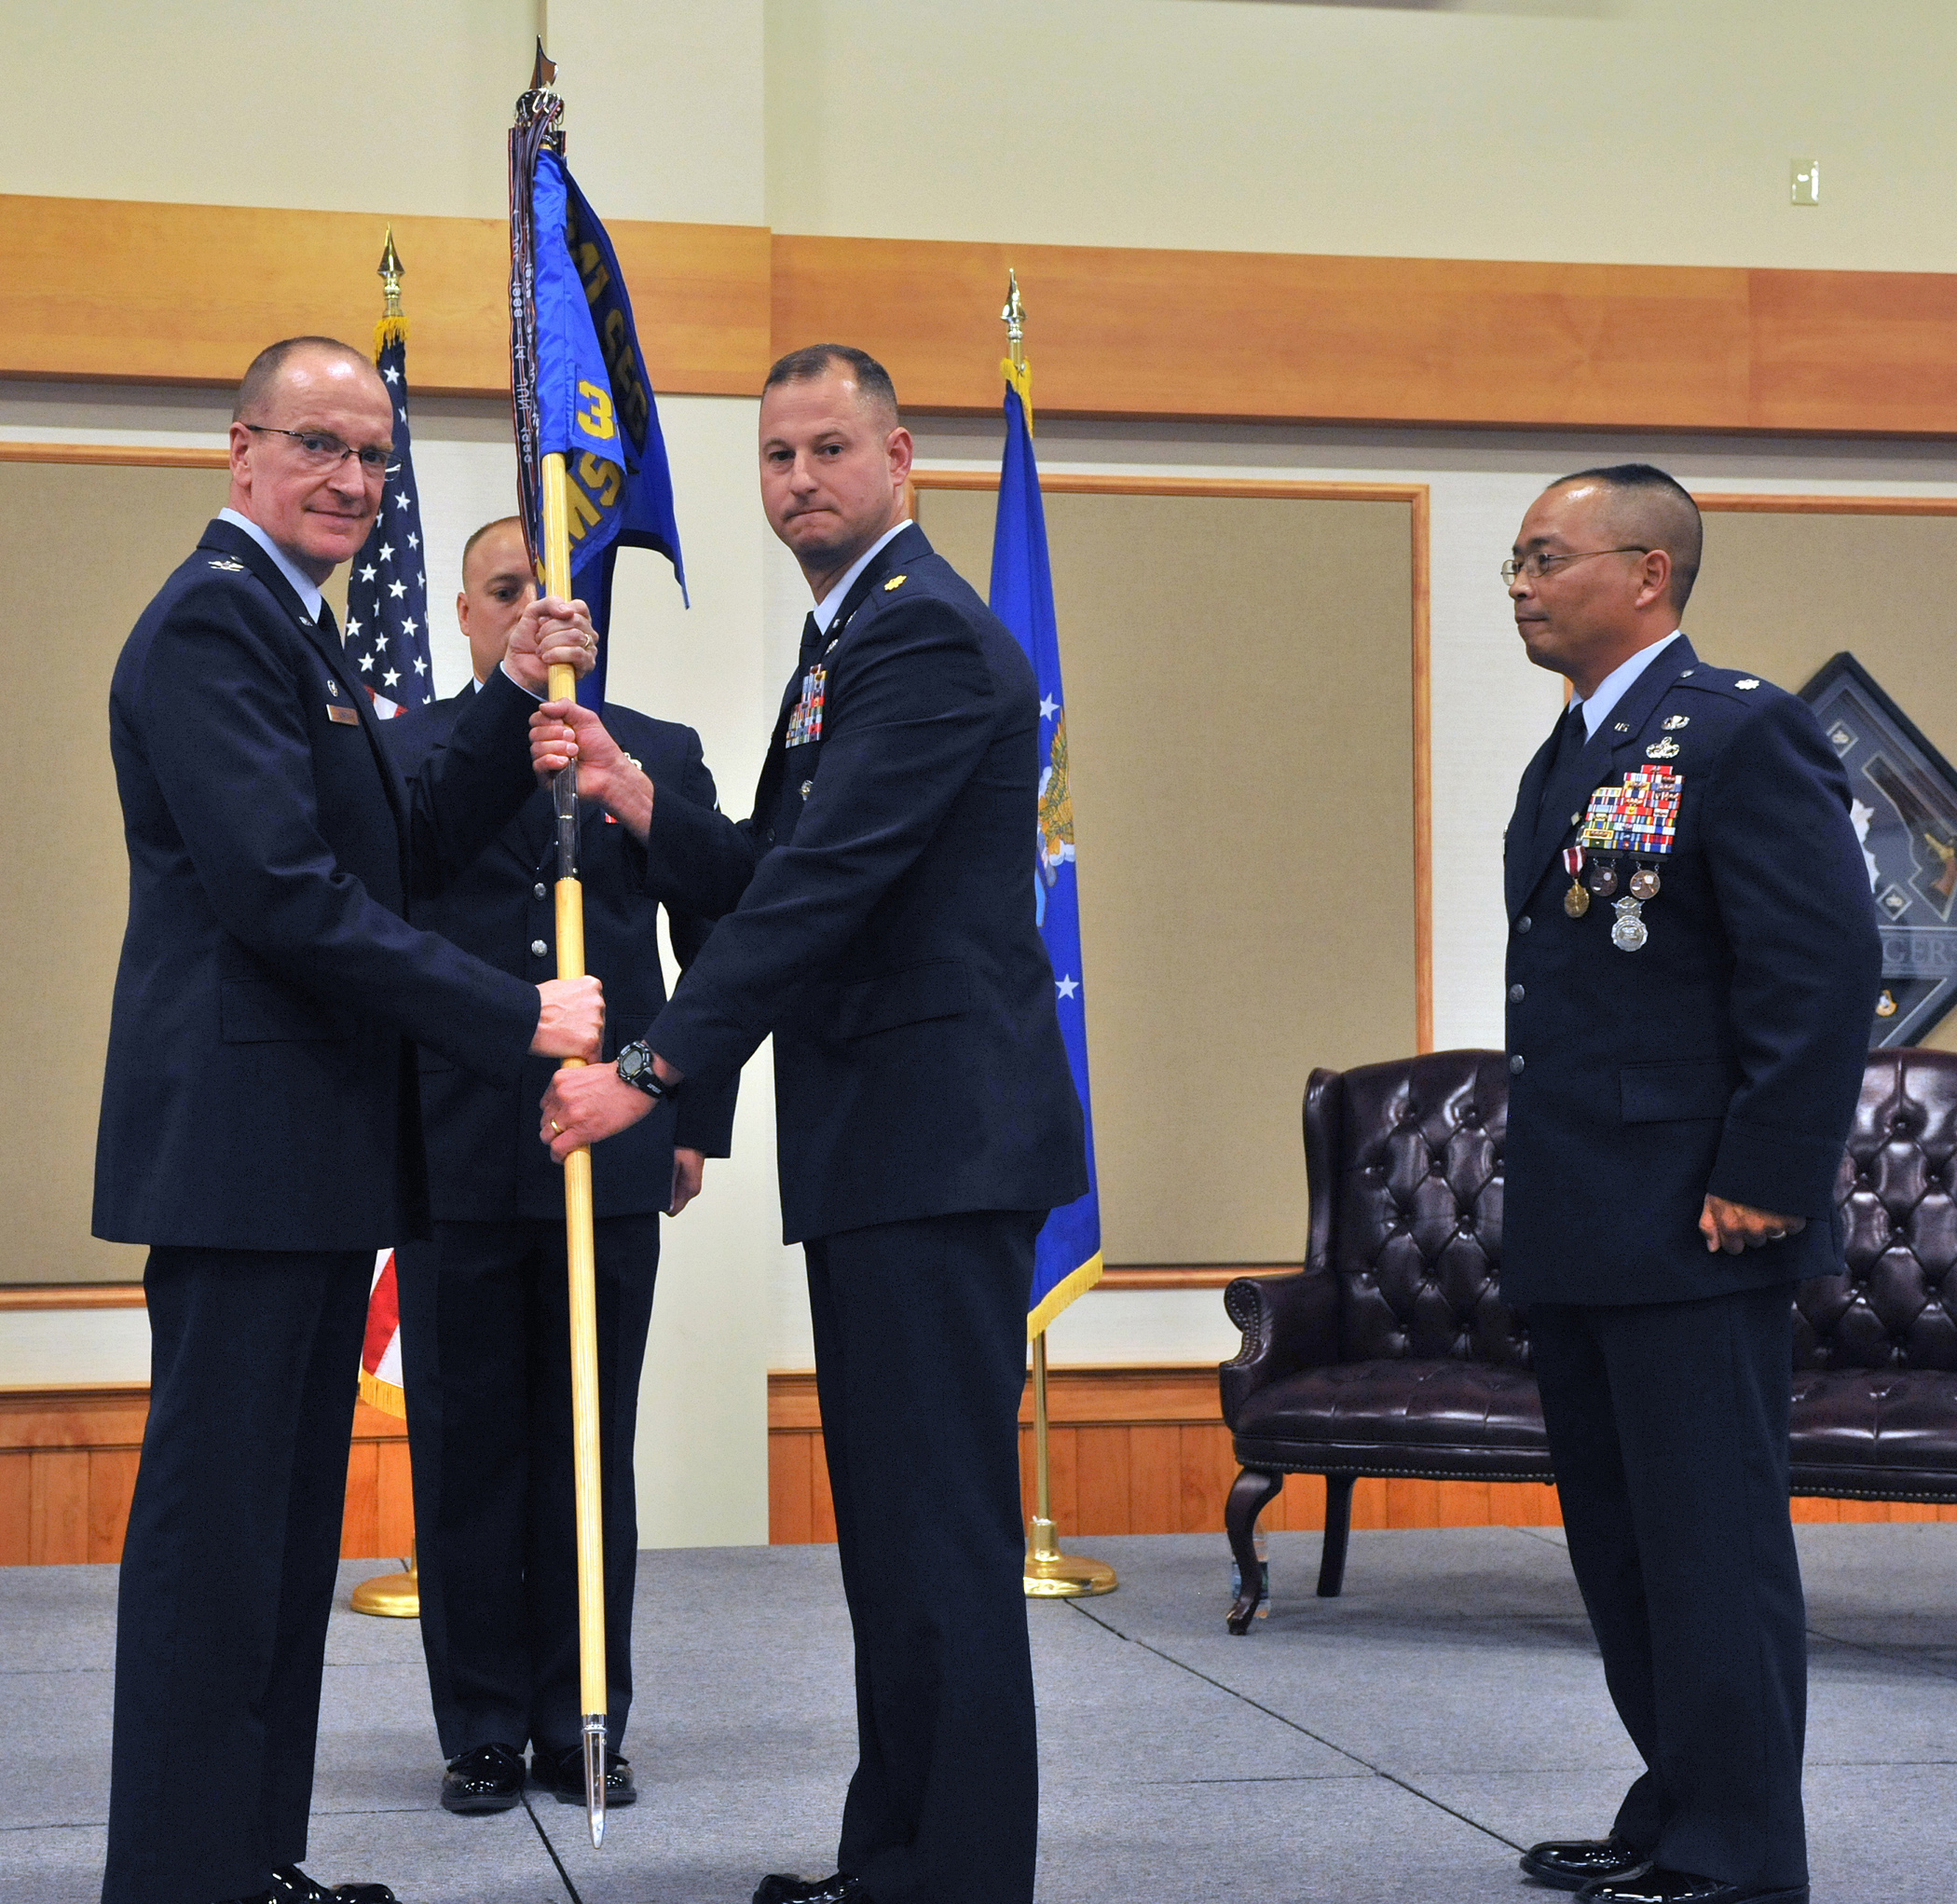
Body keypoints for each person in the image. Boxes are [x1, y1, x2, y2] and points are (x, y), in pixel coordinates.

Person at [533, 344, 1087, 1904]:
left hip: (936, 1145)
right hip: (888, 1147)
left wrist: (647, 1073)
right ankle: (900, 1857)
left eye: (828, 450)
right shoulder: (846, 642)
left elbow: (820, 897)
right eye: (775, 458)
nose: (797, 483)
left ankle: (957, 1872)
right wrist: (648, 807)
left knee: (940, 1540)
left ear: (900, 456)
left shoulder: (920, 641)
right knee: (899, 1538)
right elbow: (778, 871)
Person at [93, 337, 604, 1904]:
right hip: (247, 1159)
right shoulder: (210, 627)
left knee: (275, 1548)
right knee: (217, 1550)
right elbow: (286, 899)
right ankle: (181, 1881)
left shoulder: (292, 633)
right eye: (319, 444)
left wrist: (512, 683)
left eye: (373, 458)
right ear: (239, 449)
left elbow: (389, 845)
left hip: (307, 1162)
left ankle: (250, 1864)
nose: (352, 481)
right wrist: (513, 1014)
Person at [1499, 465, 1881, 1904]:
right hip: (1587, 1213)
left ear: (1648, 573)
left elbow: (1824, 965)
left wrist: (1769, 1174)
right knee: (1621, 1547)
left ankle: (1740, 1851)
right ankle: (1678, 1804)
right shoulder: (1570, 751)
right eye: (1516, 564)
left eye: (1547, 557)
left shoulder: (1738, 731)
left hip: (1702, 1220)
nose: (1524, 585)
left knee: (1709, 1546)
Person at [379, 516, 736, 1816]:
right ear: (467, 617)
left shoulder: (657, 753)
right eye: (505, 592)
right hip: (459, 1146)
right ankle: (479, 1725)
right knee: (467, 1446)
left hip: (615, 1148)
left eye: (557, 594)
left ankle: (585, 1713)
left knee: (592, 1447)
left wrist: (694, 1114)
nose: (536, 609)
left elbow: (723, 943)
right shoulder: (409, 755)